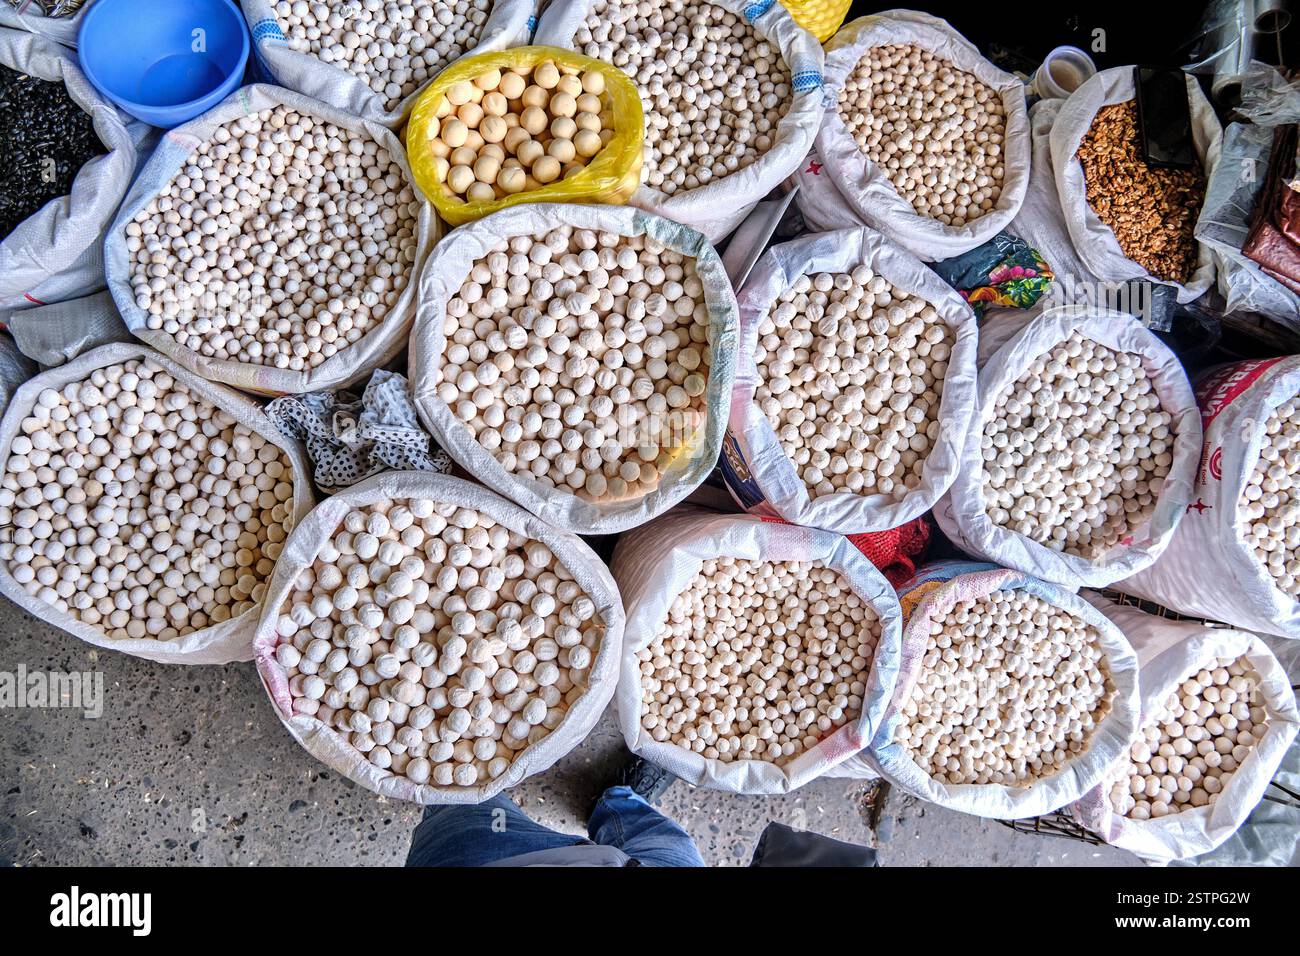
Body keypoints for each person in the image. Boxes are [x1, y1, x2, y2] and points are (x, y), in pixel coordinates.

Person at [405, 753, 879, 867]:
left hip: (495, 860)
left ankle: (451, 787)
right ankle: (617, 800)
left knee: (463, 796)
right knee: (667, 844)